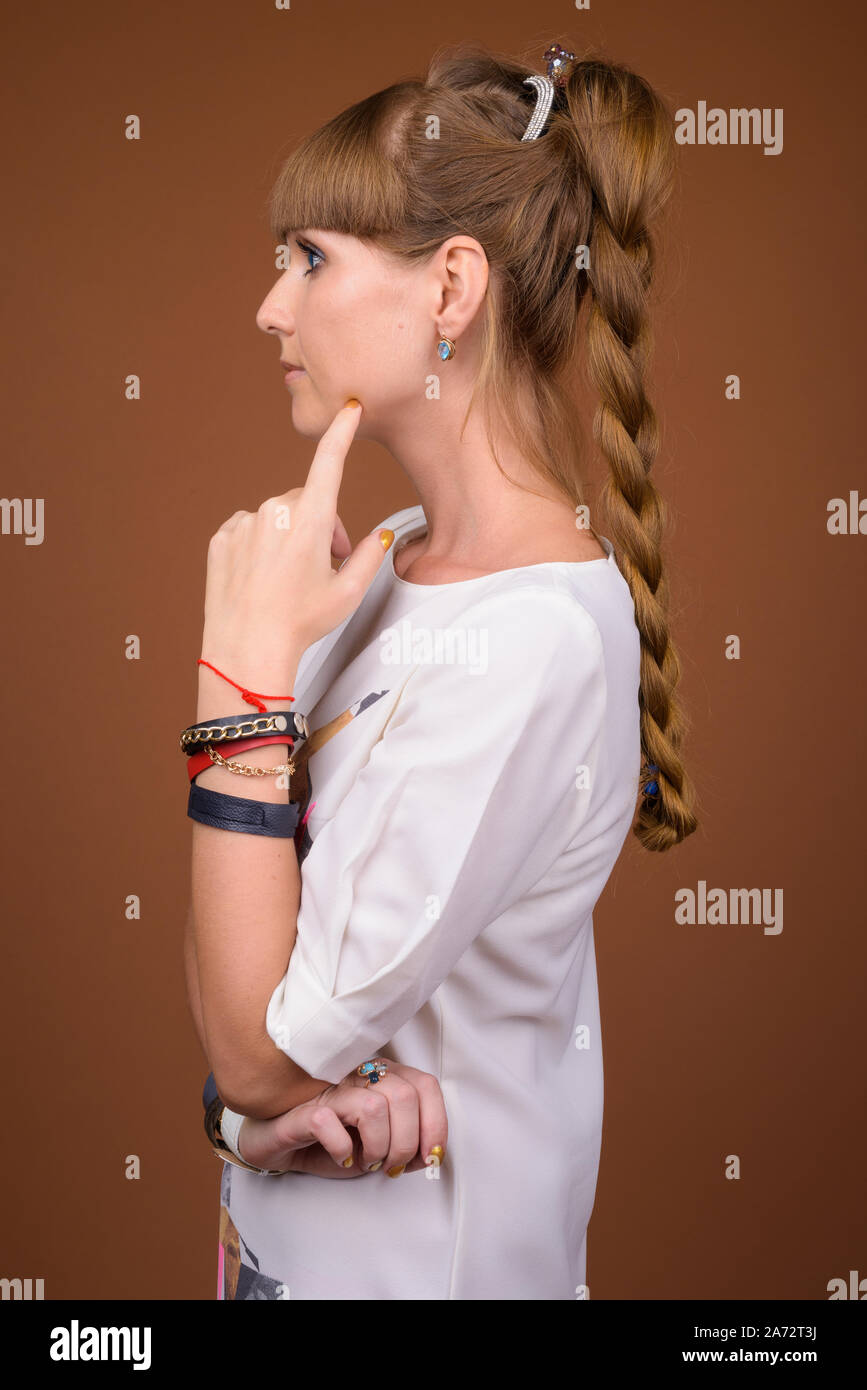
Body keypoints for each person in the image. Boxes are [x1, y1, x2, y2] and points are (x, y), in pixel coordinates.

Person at [182, 39, 698, 1301]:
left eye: (311, 258)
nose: (271, 307)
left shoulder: (529, 644)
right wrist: (245, 1124)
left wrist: (237, 687)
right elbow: (245, 1027)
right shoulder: (397, 563)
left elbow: (256, 1047)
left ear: (452, 286)